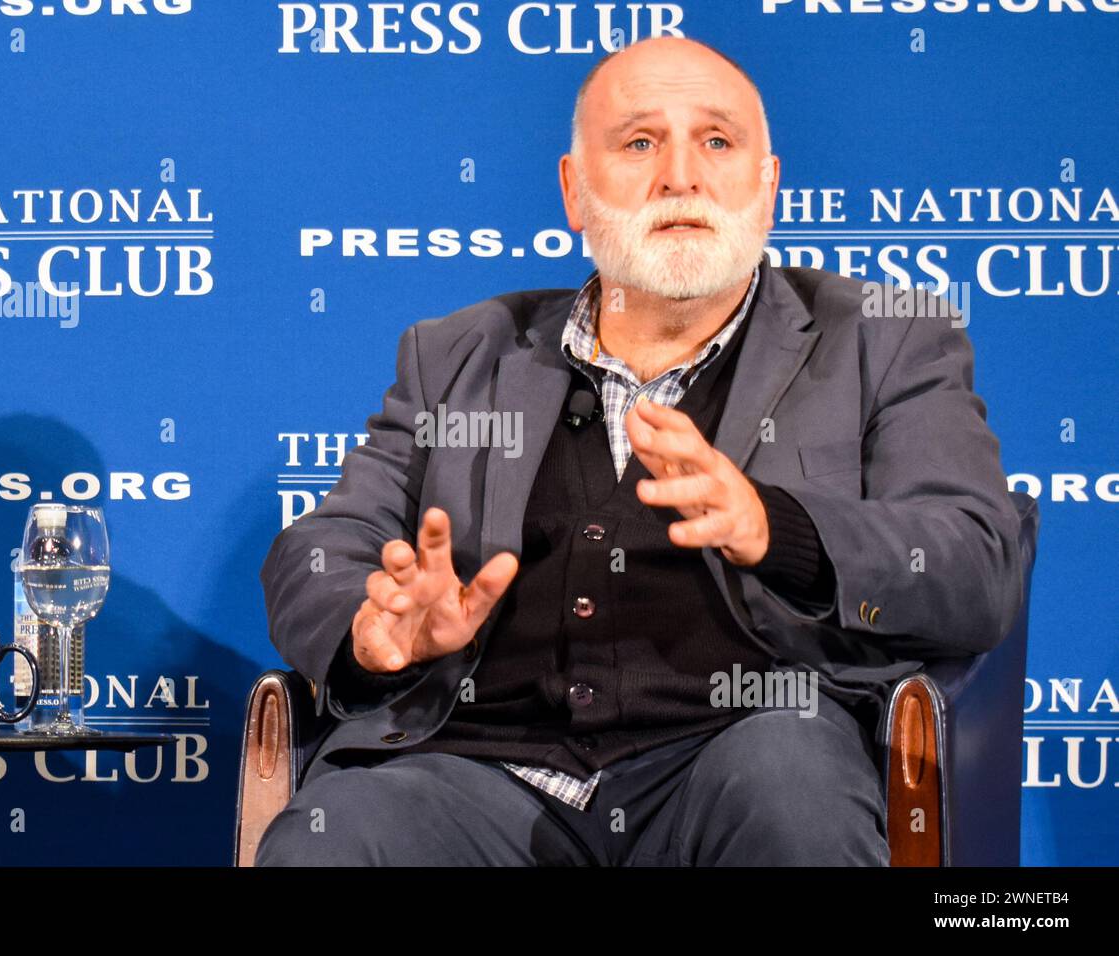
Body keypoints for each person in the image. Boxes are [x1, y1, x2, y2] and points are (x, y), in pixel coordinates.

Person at [255, 35, 1023, 866]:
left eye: (717, 142)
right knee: (341, 835)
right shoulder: (459, 354)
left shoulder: (885, 340)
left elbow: (974, 564)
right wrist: (372, 631)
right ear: (574, 190)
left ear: (767, 189)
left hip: (741, 759)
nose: (680, 176)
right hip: (478, 775)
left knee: (789, 783)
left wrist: (780, 530)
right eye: (640, 142)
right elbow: (320, 550)